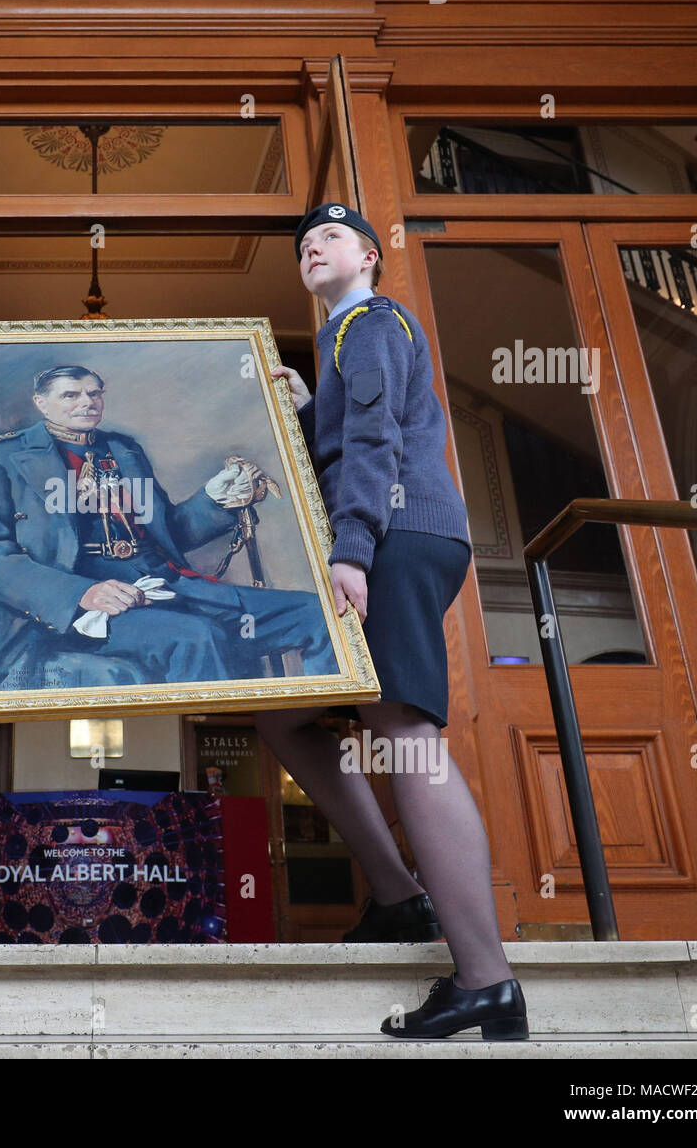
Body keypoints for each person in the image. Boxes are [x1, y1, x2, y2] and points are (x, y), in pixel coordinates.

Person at [259, 202, 528, 1040]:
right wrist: (309, 409)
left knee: (405, 732)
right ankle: (398, 895)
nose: (314, 247)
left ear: (371, 256)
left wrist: (353, 547)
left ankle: (486, 978)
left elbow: (375, 439)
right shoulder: (347, 337)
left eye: (332, 237)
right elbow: (348, 437)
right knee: (284, 716)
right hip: (403, 532)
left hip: (394, 536)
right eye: (305, 243)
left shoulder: (370, 320)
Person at [0, 365, 337, 691]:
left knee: (315, 612)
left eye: (94, 394)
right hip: (69, 610)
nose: (87, 403)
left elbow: (168, 534)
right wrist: (83, 592)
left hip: (166, 586)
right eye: (71, 395)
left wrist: (215, 500)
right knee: (197, 638)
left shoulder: (122, 449)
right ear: (41, 403)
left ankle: (320, 727)